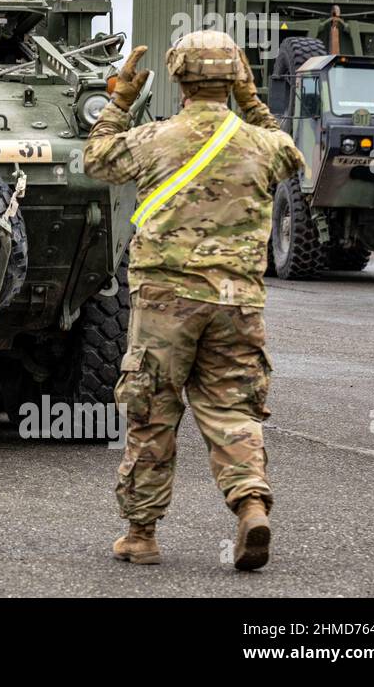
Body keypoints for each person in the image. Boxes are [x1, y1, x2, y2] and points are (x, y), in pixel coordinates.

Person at [83, 30, 305, 570]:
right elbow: (292, 157)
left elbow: (96, 159)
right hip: (237, 302)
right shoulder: (263, 144)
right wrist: (252, 101)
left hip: (166, 302)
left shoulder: (156, 138)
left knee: (152, 410)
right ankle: (251, 504)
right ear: (235, 79)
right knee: (232, 407)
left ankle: (141, 534)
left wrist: (120, 99)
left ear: (178, 79)